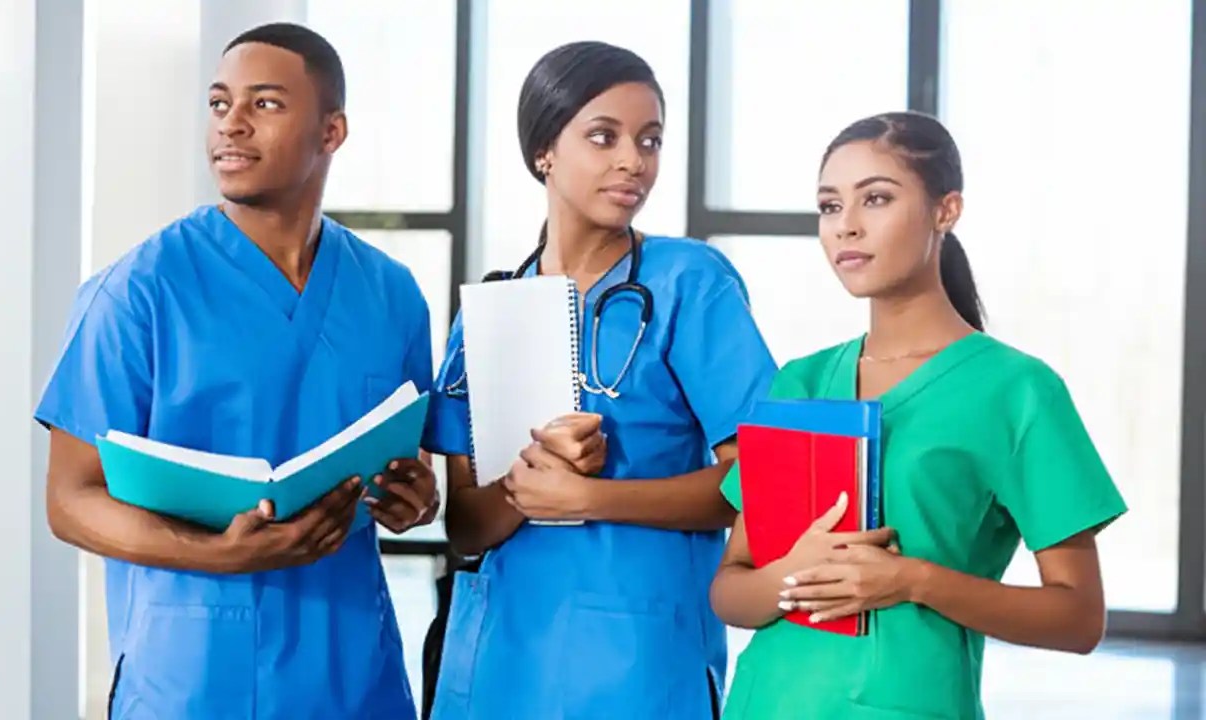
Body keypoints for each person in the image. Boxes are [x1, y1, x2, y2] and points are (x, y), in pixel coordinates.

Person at [35, 23, 439, 719]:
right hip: (192, 679)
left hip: (352, 674)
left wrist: (415, 499)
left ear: (331, 130)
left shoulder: (391, 294)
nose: (232, 125)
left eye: (266, 104)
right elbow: (70, 499)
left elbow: (412, 469)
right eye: (220, 104)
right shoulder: (139, 292)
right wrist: (218, 554)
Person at [710, 111, 1128, 719]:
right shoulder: (800, 381)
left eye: (875, 199)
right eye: (830, 207)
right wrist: (794, 574)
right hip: (766, 702)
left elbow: (1079, 619)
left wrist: (911, 581)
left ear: (946, 210)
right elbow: (730, 591)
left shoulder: (1016, 391)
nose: (846, 227)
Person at [422, 41, 778, 720]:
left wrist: (589, 495)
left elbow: (755, 483)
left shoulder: (686, 283)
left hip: (640, 658)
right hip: (503, 657)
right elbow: (467, 525)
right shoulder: (494, 311)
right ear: (543, 152)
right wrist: (531, 483)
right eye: (603, 136)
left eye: (649, 140)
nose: (633, 160)